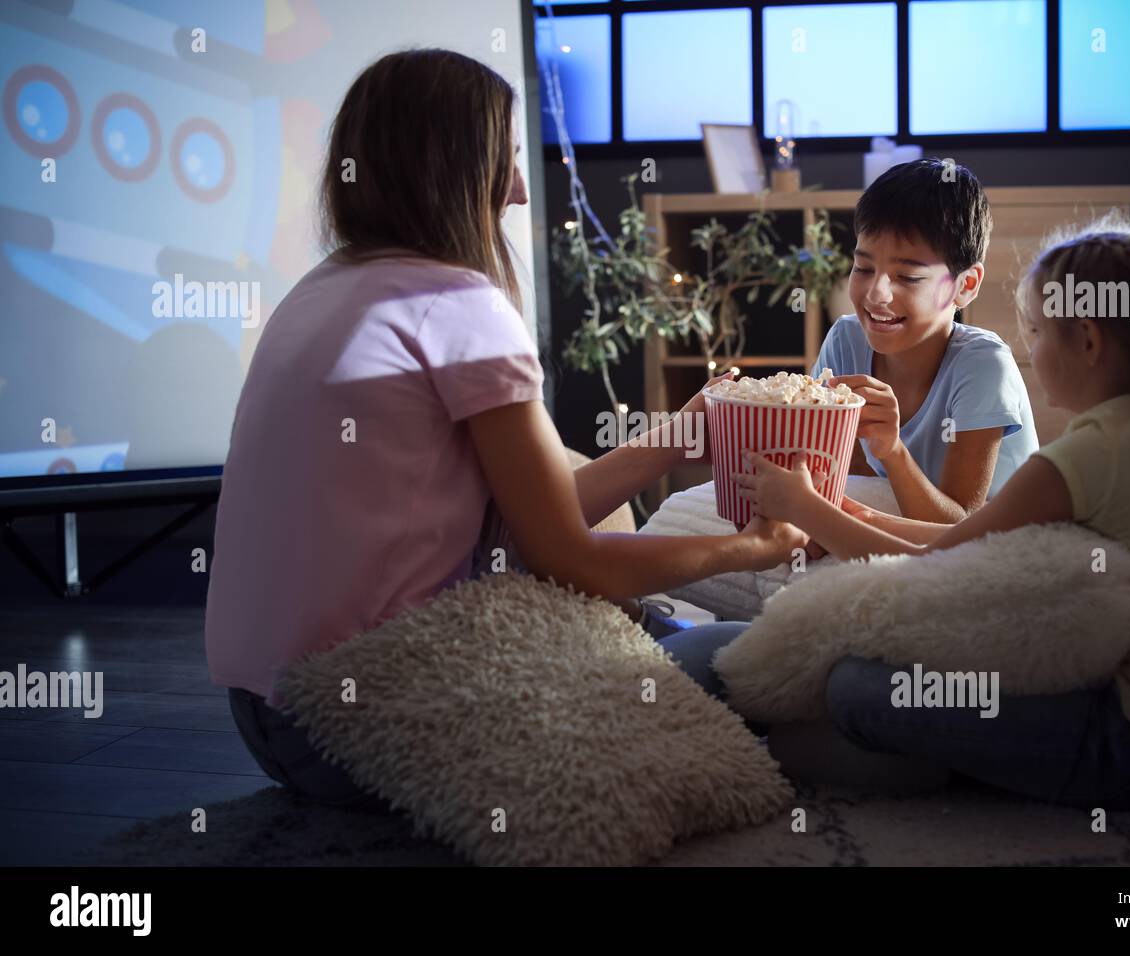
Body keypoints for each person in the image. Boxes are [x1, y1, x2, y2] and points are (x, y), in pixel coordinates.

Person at [204, 49, 804, 808]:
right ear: (453, 169)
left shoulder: (319, 290)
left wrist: (679, 437)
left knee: (670, 622)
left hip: (269, 722)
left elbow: (533, 523)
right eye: (507, 159)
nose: (519, 190)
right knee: (749, 656)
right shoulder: (460, 305)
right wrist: (754, 547)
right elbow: (568, 560)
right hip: (367, 724)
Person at [668, 211, 1130, 810]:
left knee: (857, 690)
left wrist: (805, 505)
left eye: (1039, 335)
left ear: (1090, 341)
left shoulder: (1089, 453)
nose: (1031, 353)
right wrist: (845, 519)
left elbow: (938, 563)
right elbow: (963, 536)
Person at [812, 158, 1038, 523]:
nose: (876, 294)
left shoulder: (983, 365)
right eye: (864, 268)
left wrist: (892, 451)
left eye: (908, 277)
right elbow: (850, 486)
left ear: (965, 286)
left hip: (994, 544)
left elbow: (958, 527)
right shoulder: (845, 341)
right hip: (907, 530)